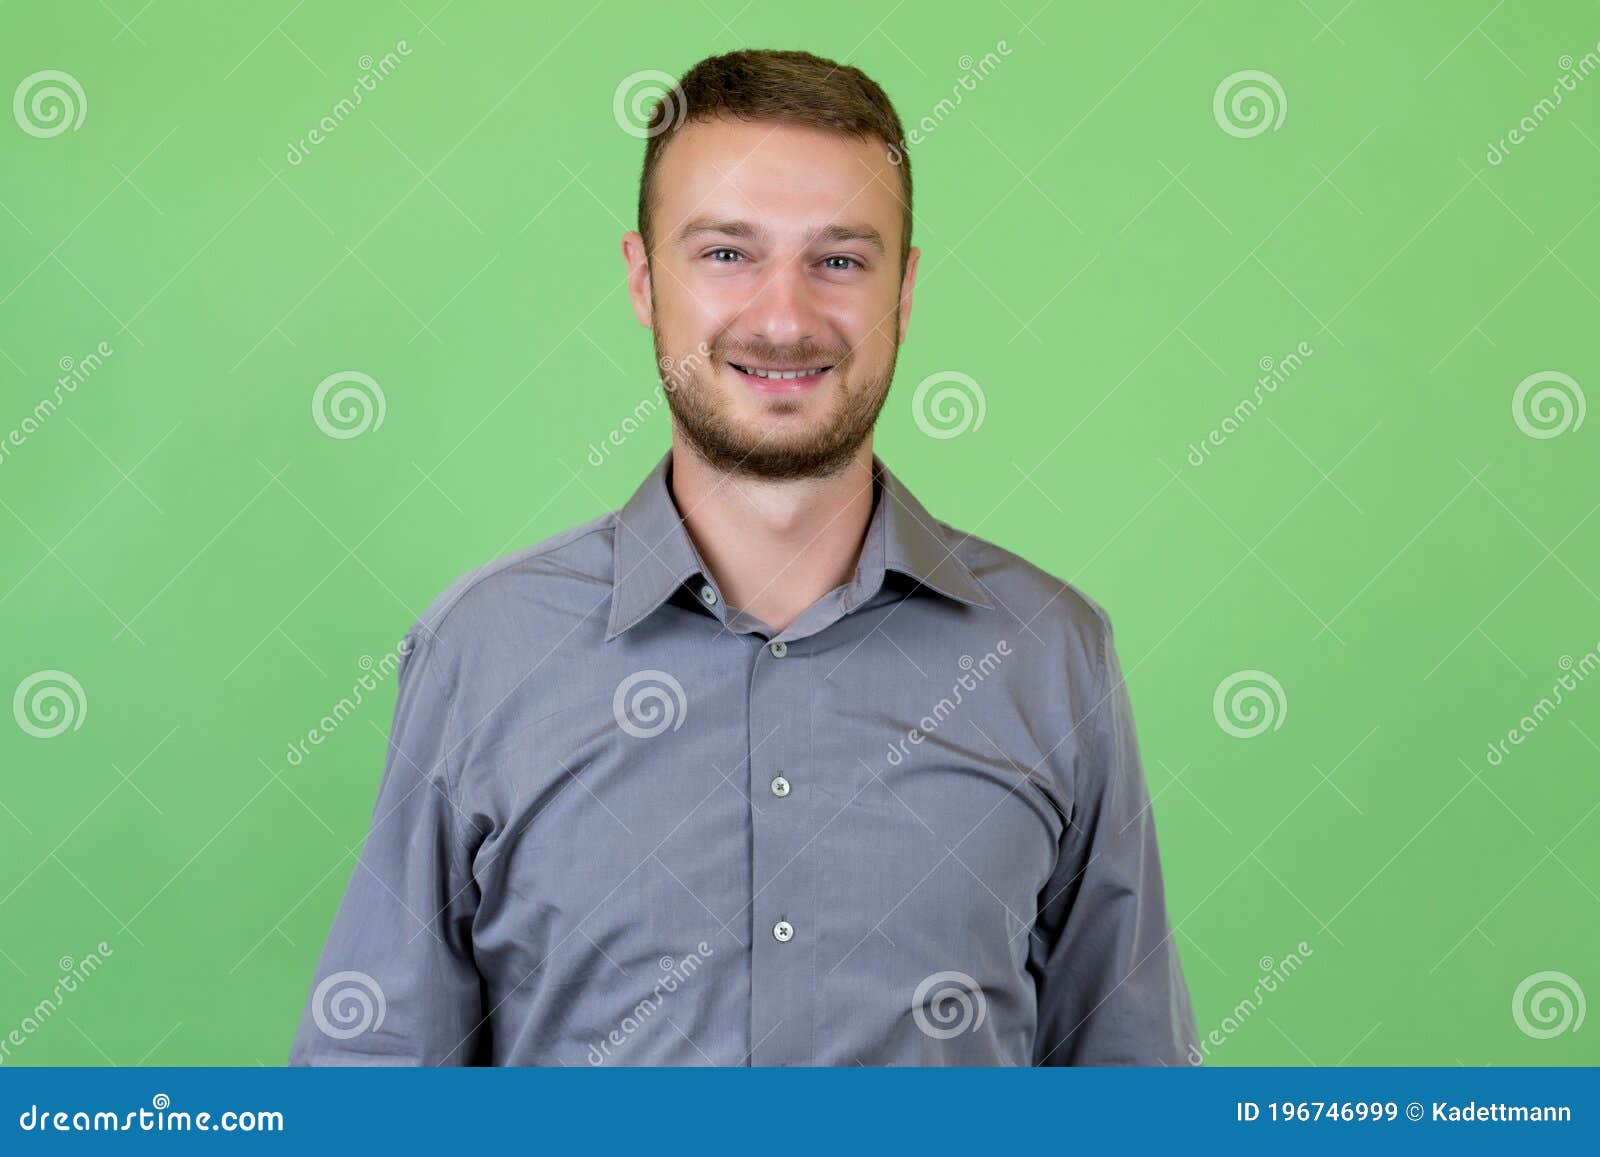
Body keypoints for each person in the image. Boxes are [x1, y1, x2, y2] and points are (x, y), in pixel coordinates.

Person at [289, 48, 1197, 1066]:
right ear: (643, 279)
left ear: (903, 291)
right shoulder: (484, 650)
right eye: (727, 253)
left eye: (839, 260)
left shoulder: (1049, 653)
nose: (783, 318)